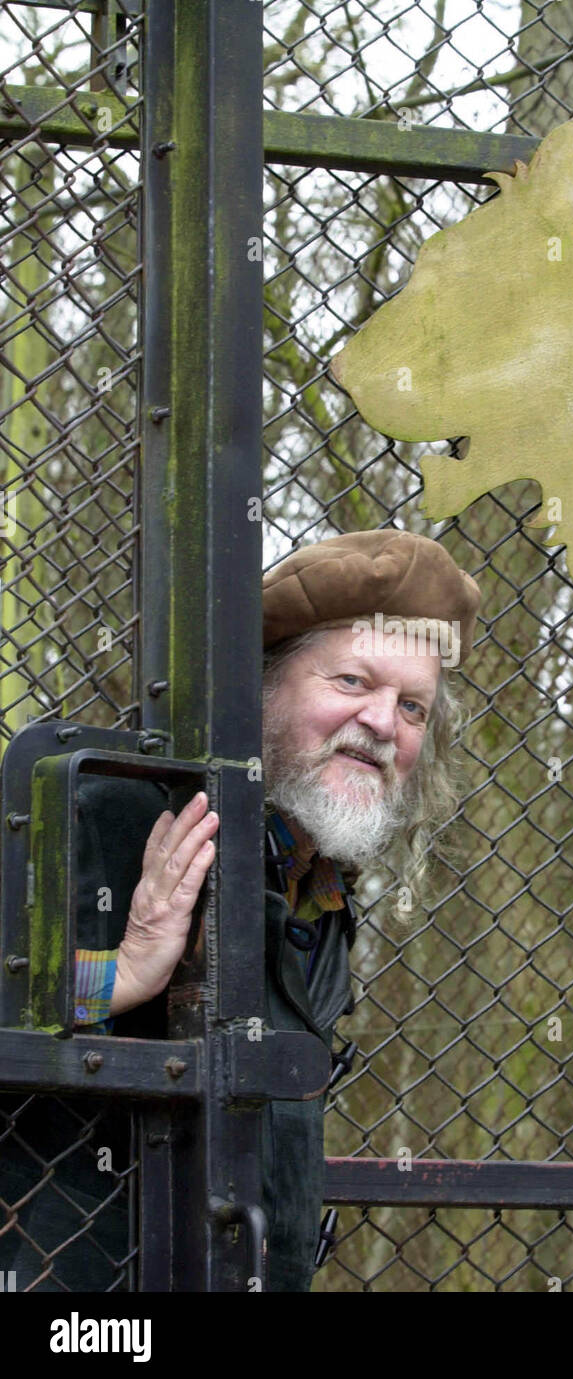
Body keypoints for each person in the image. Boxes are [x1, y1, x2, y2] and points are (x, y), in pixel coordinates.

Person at [0, 528, 480, 1291]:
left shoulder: (318, 885)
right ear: (259, 687)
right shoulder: (106, 814)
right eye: (353, 682)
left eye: (413, 707)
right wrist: (116, 975)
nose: (385, 726)